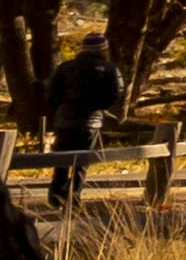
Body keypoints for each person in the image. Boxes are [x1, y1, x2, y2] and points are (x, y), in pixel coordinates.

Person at [42, 34, 125, 209]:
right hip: (90, 121)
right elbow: (115, 93)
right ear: (104, 50)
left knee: (61, 160)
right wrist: (98, 107)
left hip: (64, 120)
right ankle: (74, 195)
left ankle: (55, 195)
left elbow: (50, 94)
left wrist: (62, 107)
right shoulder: (109, 69)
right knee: (82, 162)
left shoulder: (65, 68)